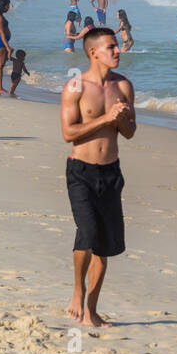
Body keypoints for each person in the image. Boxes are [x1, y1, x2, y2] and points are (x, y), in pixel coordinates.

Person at [59, 27, 135, 327]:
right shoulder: (75, 87)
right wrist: (106, 118)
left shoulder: (124, 87)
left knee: (104, 246)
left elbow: (129, 132)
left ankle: (92, 308)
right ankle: (78, 290)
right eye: (112, 47)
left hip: (111, 171)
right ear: (94, 53)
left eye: (117, 46)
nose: (118, 51)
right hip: (82, 171)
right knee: (87, 233)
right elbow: (68, 133)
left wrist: (121, 120)